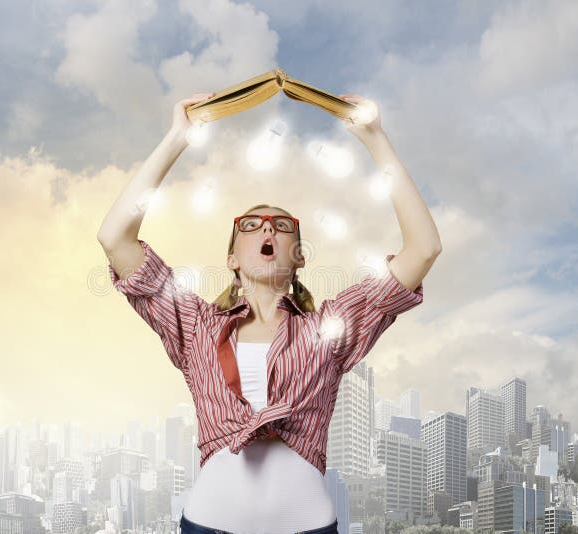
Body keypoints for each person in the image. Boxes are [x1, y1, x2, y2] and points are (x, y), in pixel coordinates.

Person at [98, 92, 442, 534]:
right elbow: (115, 238)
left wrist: (375, 138)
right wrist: (176, 139)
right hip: (207, 525)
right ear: (233, 258)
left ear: (298, 257)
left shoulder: (327, 332)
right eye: (251, 224)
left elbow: (424, 248)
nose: (267, 229)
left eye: (282, 227)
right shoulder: (196, 326)